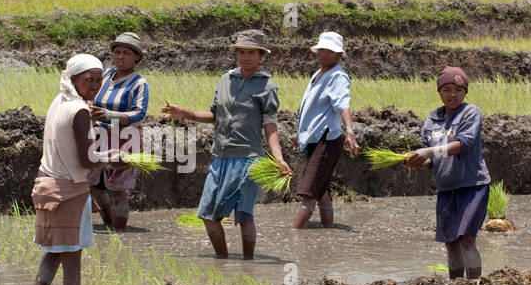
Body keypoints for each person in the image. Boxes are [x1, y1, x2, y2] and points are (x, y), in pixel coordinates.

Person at [162, 29, 291, 259]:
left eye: (251, 52)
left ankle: (248, 263)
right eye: (241, 52)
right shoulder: (225, 80)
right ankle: (222, 259)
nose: (245, 57)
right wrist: (184, 113)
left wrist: (278, 158)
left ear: (261, 55)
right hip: (220, 158)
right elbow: (214, 115)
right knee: (208, 215)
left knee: (244, 214)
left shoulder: (267, 86)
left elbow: (270, 124)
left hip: (249, 159)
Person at [32, 54, 113, 285]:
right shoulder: (78, 110)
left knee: (54, 252)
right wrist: (113, 157)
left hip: (47, 184)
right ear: (73, 78)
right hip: (68, 190)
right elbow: (87, 159)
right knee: (72, 257)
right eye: (89, 80)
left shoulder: (60, 101)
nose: (95, 86)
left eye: (99, 81)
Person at [405, 66, 490, 279]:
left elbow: (465, 144)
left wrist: (428, 151)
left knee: (466, 240)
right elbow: (431, 162)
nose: (453, 95)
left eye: (458, 90)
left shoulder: (471, 113)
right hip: (447, 189)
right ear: (439, 92)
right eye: (447, 89)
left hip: (472, 186)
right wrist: (418, 162)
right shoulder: (432, 121)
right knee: (451, 243)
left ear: (465, 92)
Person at [292, 31, 360, 229]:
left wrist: (349, 131)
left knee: (309, 191)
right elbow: (312, 109)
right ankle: (328, 229)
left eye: (328, 51)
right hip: (314, 138)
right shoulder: (318, 74)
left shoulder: (338, 76)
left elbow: (342, 105)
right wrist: (300, 132)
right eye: (321, 49)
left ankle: (294, 233)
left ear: (338, 55)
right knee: (321, 190)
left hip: (326, 140)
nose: (322, 53)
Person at [88, 32, 150, 231]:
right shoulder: (104, 75)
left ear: (137, 57)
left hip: (125, 140)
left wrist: (109, 114)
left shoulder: (139, 84)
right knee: (94, 186)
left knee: (118, 191)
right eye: (117, 52)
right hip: (98, 138)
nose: (120, 57)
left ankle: (120, 234)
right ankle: (108, 223)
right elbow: (89, 95)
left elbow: (139, 114)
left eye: (126, 53)